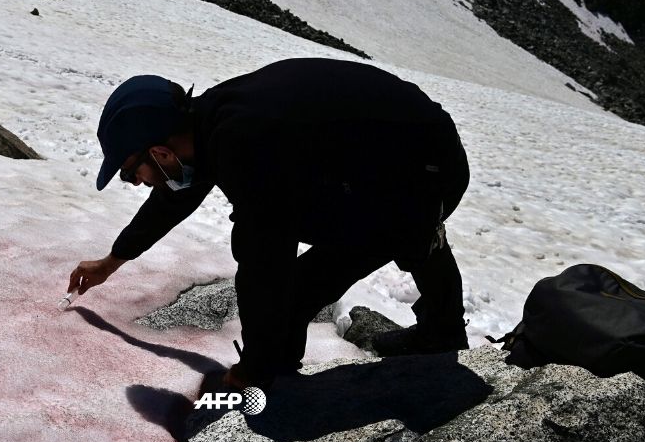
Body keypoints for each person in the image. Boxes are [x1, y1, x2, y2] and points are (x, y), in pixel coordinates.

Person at [67, 58, 471, 390]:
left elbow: (264, 261)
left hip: (425, 167)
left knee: (293, 286)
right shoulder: (210, 121)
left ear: (160, 152)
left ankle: (438, 331)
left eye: (130, 171)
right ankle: (434, 315)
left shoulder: (244, 145)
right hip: (407, 149)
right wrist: (111, 261)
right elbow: (175, 198)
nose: (135, 181)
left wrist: (251, 370)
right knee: (300, 269)